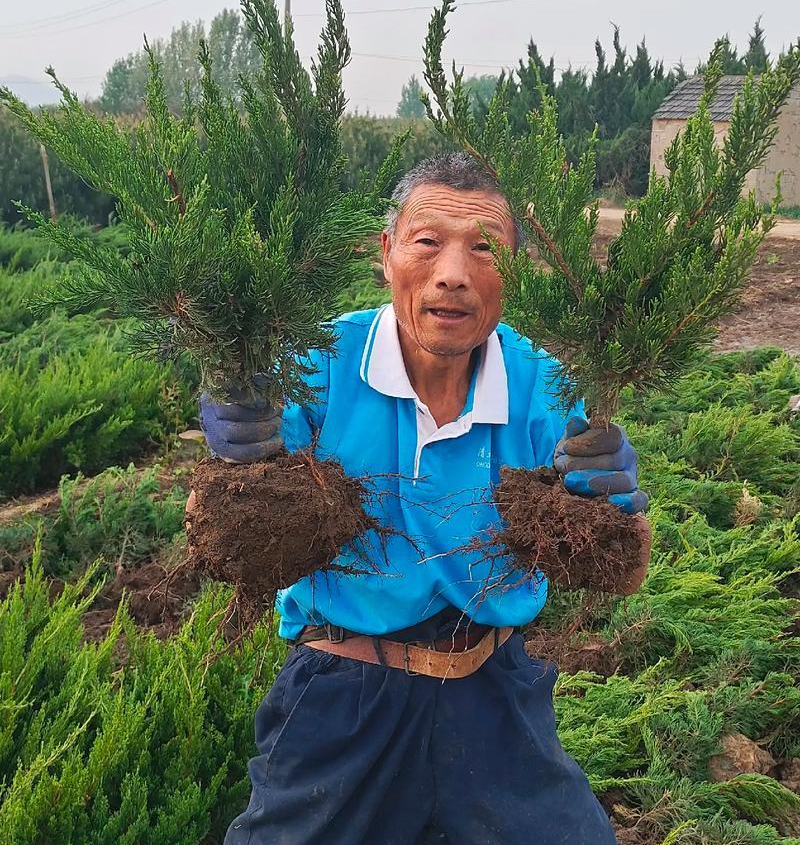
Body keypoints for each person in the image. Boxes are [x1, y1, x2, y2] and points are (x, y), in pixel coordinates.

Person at [199, 153, 651, 844]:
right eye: (428, 241)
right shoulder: (317, 363)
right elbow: (236, 503)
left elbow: (614, 541)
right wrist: (236, 439)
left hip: (494, 691)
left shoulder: (543, 385)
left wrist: (616, 504)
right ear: (387, 253)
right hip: (343, 695)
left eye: (484, 248)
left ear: (514, 272)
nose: (453, 273)